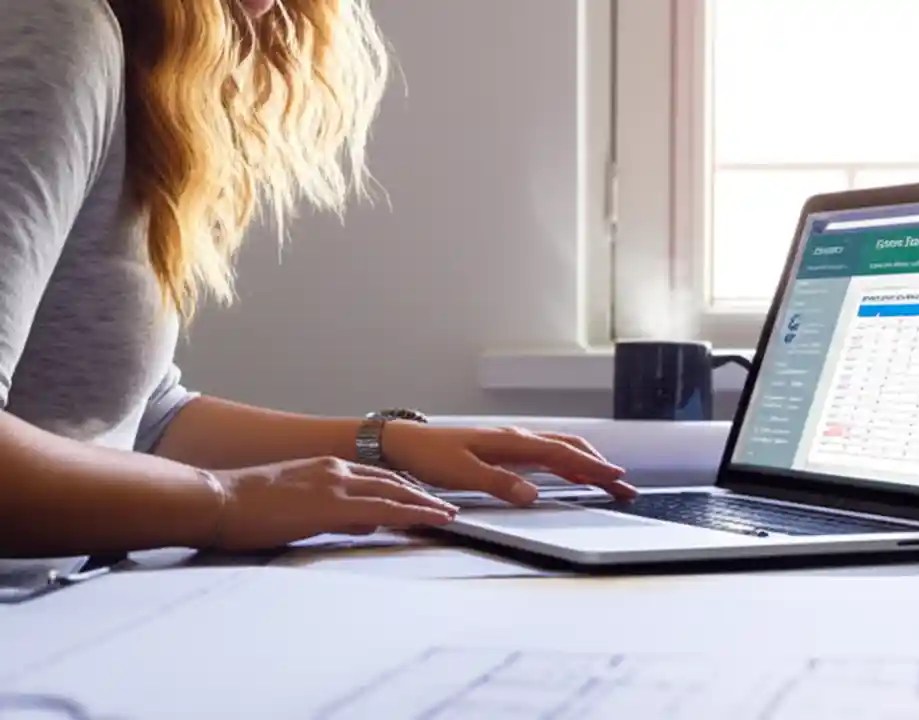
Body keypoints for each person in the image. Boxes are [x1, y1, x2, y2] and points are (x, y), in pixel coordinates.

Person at [0, 0, 636, 560]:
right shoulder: (53, 32)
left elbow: (137, 422)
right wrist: (225, 502)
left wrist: (386, 445)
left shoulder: (137, 65)